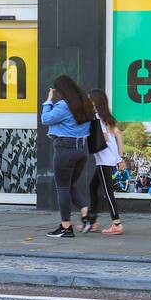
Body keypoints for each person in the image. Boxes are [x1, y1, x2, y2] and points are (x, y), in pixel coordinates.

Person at [40, 75, 92, 238]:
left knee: (62, 187)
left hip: (65, 149)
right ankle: (85, 213)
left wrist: (48, 100)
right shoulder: (86, 104)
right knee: (68, 186)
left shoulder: (63, 105)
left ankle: (65, 228)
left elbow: (45, 119)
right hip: (81, 150)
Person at [79, 89, 127, 236]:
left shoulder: (97, 118)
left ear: (94, 102)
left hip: (104, 161)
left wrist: (88, 134)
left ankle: (117, 223)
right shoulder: (106, 117)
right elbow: (118, 135)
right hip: (108, 159)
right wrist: (120, 157)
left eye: (89, 100)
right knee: (93, 187)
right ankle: (92, 222)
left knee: (107, 192)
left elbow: (105, 138)